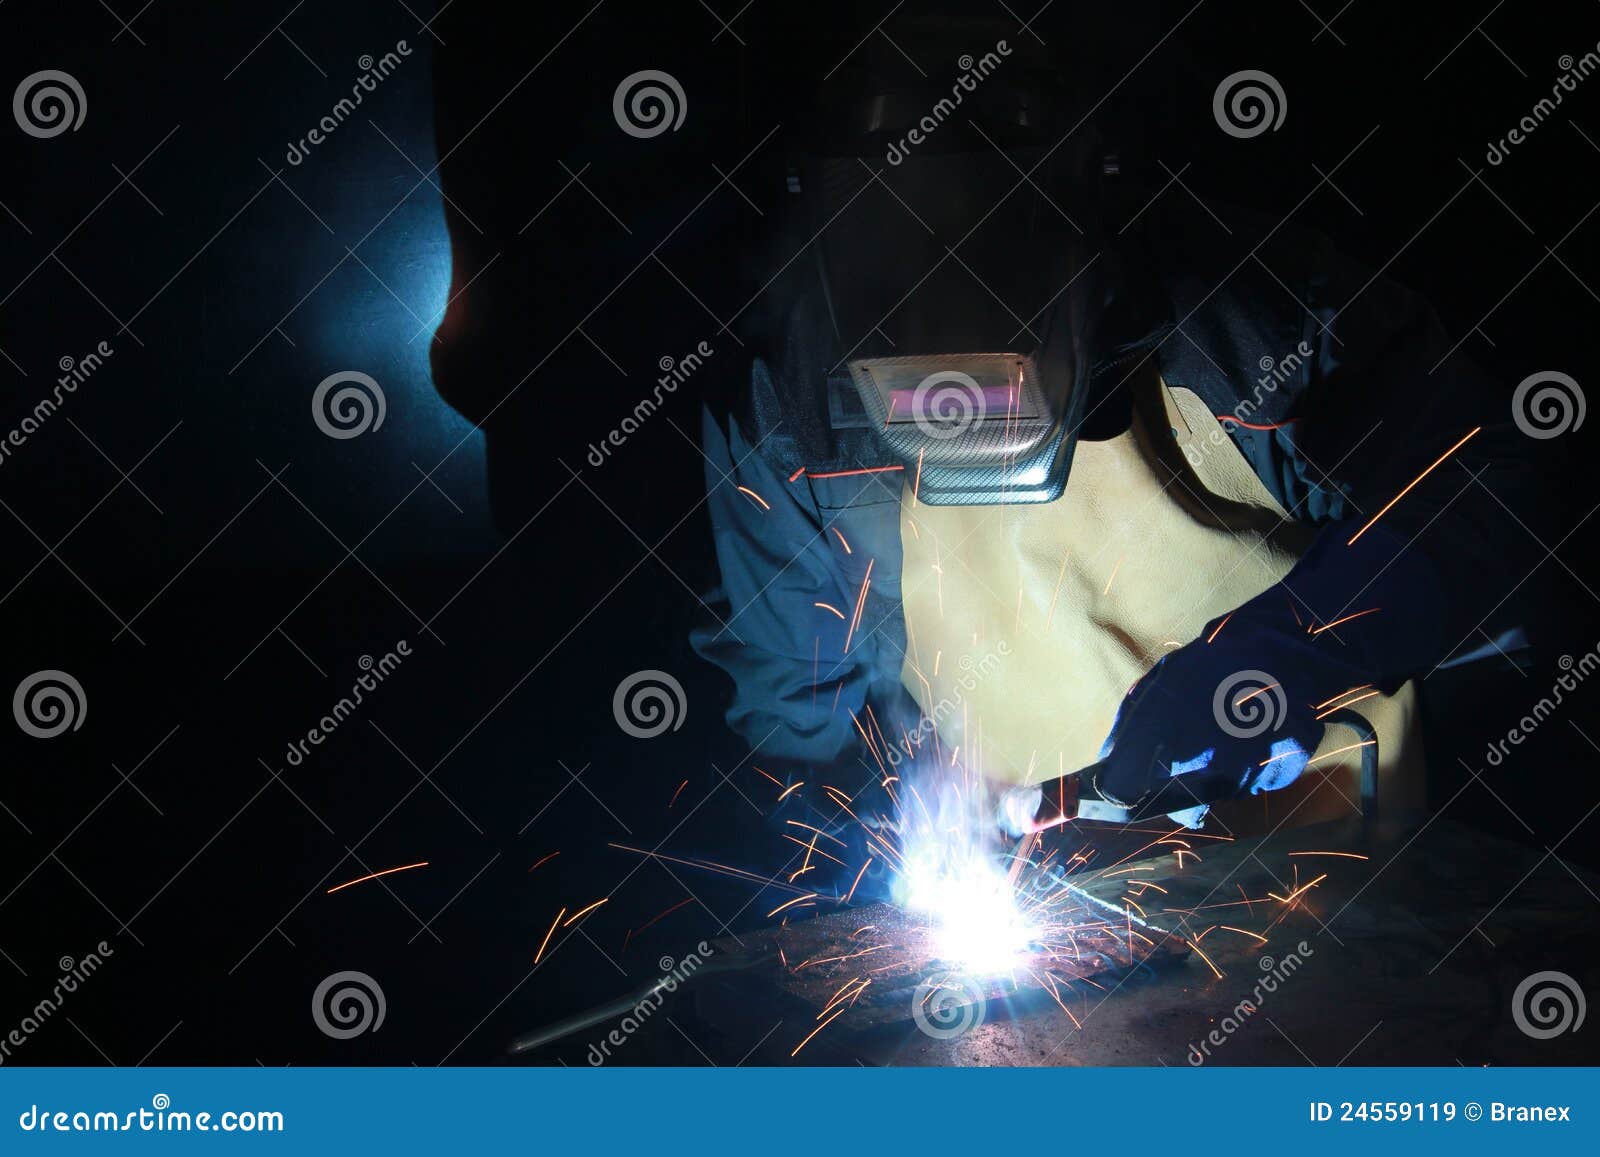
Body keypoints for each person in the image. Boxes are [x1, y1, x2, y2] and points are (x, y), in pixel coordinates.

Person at [686, 18, 1546, 837]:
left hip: (1328, 859)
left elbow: (1502, 487)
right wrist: (884, 838)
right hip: (1049, 902)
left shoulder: (1246, 323)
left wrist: (1298, 650)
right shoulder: (792, 424)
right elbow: (796, 729)